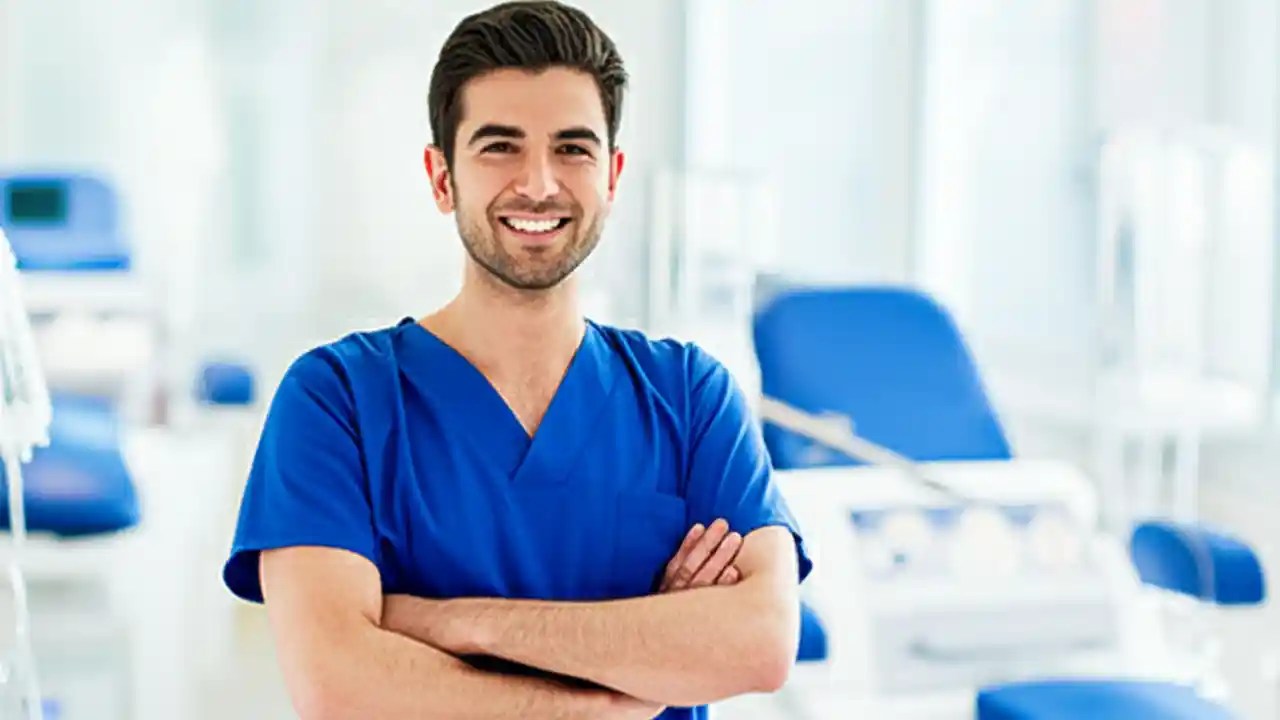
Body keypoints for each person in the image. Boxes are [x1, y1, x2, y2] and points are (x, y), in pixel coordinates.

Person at [222, 2, 812, 718]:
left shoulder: (690, 396)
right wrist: (626, 684)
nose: (538, 183)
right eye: (500, 146)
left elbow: (760, 644)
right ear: (443, 178)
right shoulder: (335, 400)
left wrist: (456, 625)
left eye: (572, 148)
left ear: (613, 176)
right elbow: (339, 685)